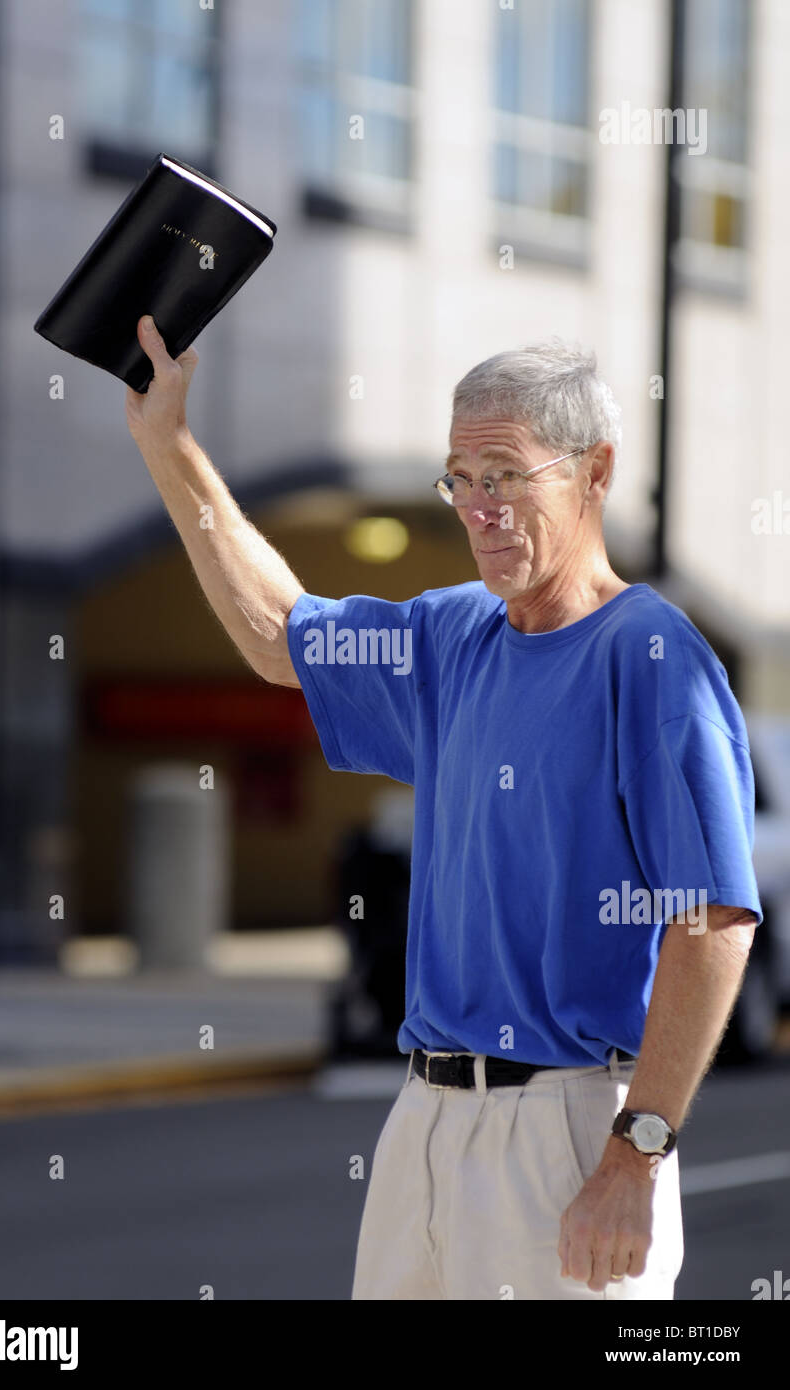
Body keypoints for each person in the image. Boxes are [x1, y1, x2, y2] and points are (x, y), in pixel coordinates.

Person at [125, 318, 762, 1301]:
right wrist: (168, 444)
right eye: (458, 479)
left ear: (593, 472)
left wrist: (634, 1155)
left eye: (503, 475)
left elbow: (710, 922)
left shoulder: (649, 657)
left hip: (567, 1126)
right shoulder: (448, 634)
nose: (477, 507)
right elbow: (276, 636)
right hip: (422, 1117)